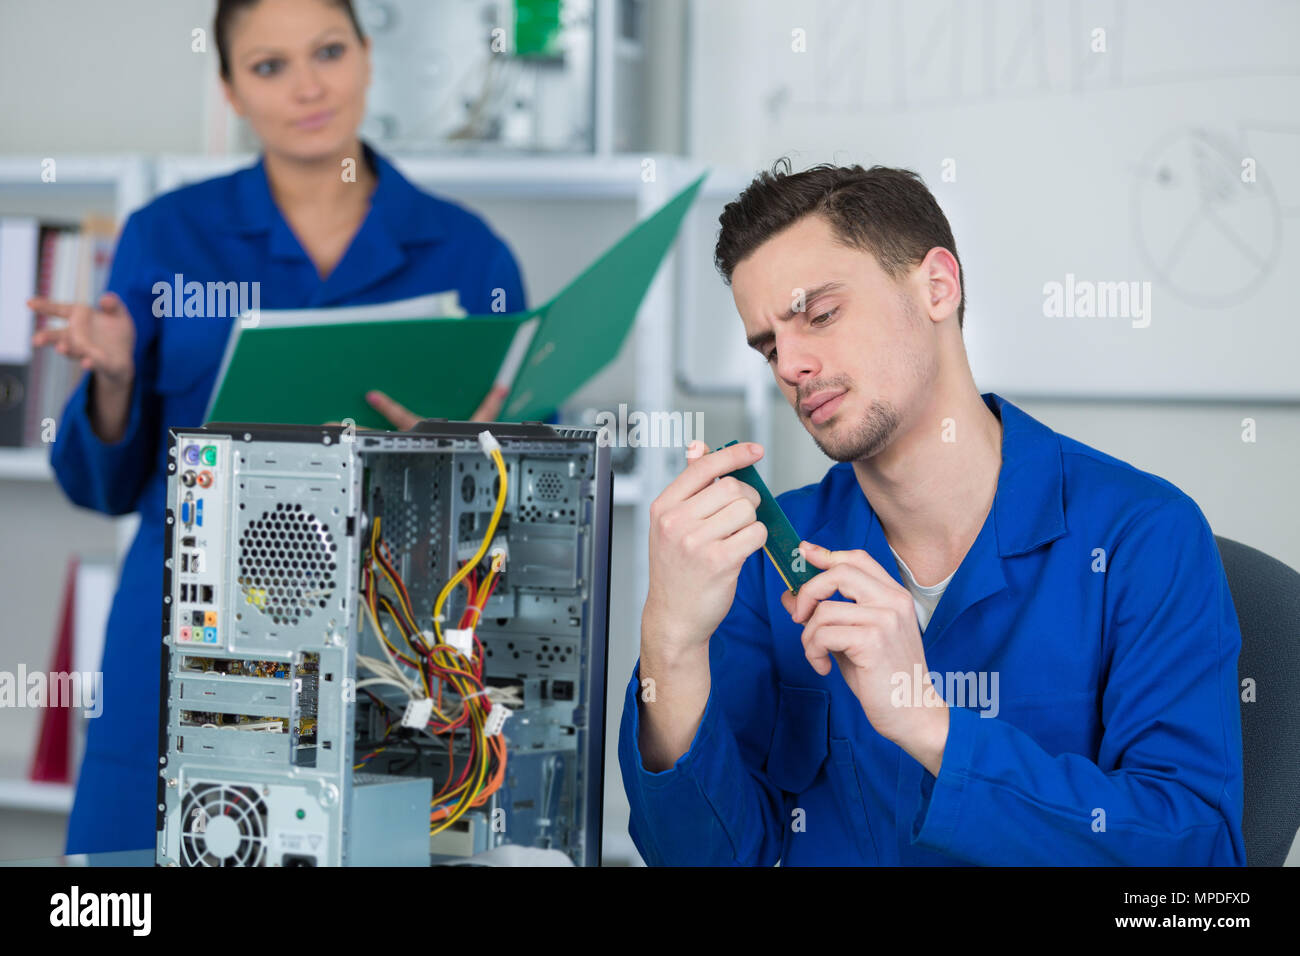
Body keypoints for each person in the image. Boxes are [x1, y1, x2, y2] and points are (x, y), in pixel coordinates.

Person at [619, 160, 1247, 866]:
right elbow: (704, 857)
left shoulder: (1143, 539)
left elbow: (1199, 863)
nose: (791, 364)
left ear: (937, 287)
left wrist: (930, 723)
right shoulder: (764, 558)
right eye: (769, 347)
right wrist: (669, 641)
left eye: (820, 314)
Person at [28, 0, 532, 854]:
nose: (308, 86)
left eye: (328, 51)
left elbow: (520, 485)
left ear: (368, 58)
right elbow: (101, 484)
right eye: (269, 66)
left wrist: (473, 438)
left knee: (385, 849)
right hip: (189, 638)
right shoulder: (166, 238)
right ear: (229, 89)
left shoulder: (468, 252)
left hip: (391, 642)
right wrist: (112, 379)